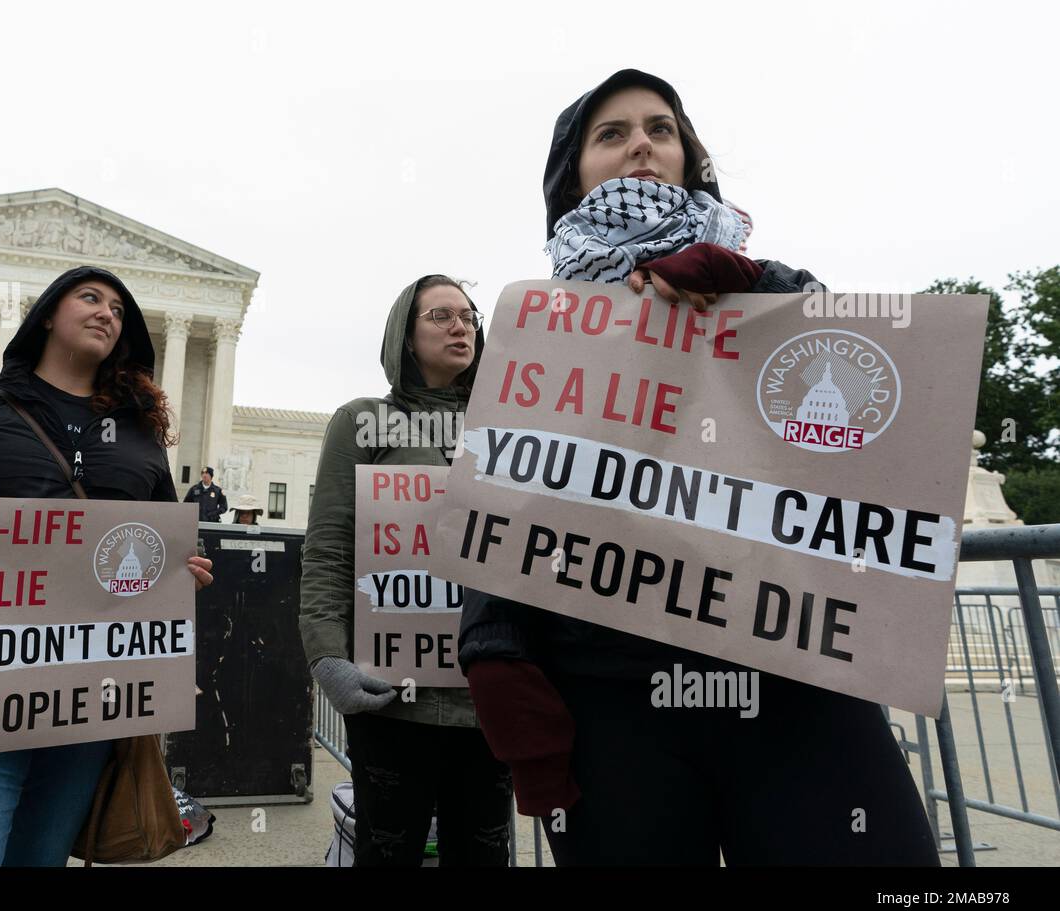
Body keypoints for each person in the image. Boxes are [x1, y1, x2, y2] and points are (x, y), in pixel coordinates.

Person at [458, 70, 941, 867]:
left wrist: (756, 290)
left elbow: (868, 408)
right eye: (610, 134)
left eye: (660, 128)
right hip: (609, 691)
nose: (641, 142)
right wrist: (493, 644)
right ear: (571, 173)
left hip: (794, 674)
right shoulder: (534, 327)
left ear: (689, 157)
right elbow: (501, 493)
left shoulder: (770, 288)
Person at [0, 265, 214, 867]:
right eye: (91, 297)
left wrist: (187, 573)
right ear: (49, 312)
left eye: (119, 310)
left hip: (88, 708)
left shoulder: (137, 440)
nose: (107, 312)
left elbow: (163, 544)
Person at [300, 275, 513, 866]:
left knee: (483, 854)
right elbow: (328, 548)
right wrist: (327, 656)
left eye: (468, 315)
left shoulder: (512, 428)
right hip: (392, 699)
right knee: (387, 854)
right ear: (405, 334)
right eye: (441, 315)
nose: (460, 326)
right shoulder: (361, 421)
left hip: (487, 693)